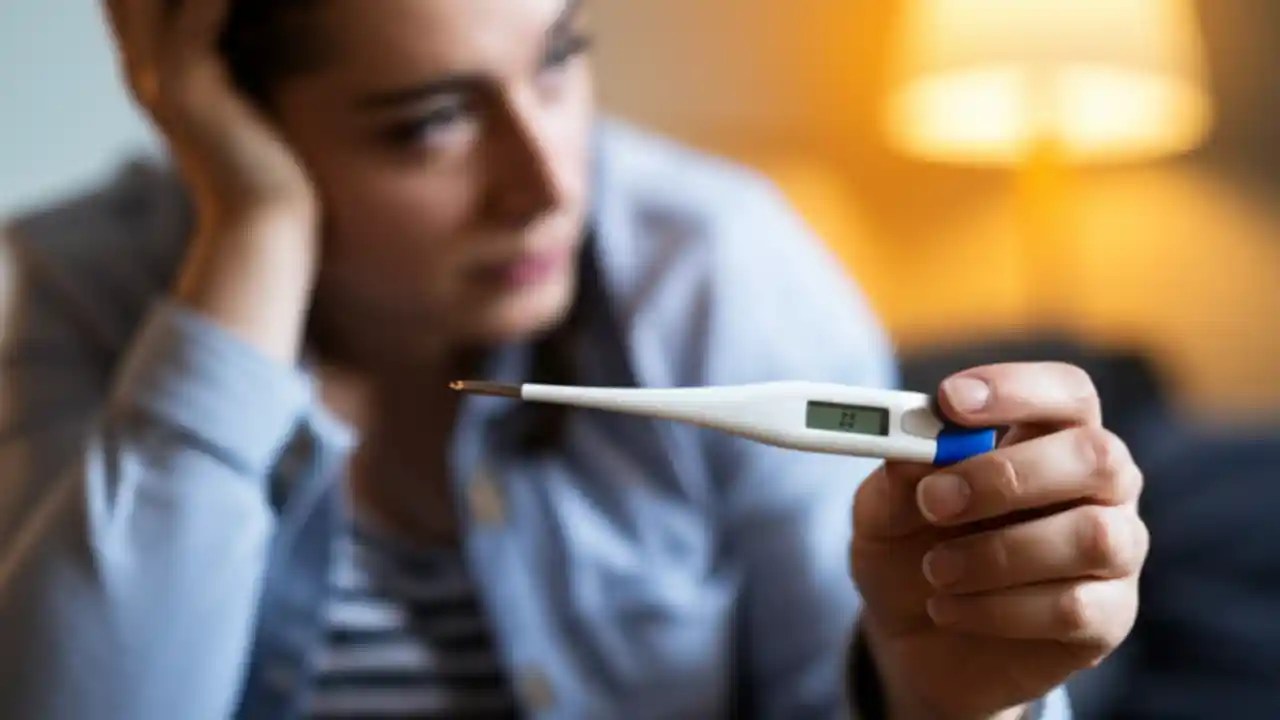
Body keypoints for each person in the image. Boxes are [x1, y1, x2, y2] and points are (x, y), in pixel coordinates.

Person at [0, 1, 1149, 718]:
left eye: (557, 61)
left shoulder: (712, 264)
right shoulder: (66, 293)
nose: (550, 180)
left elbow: (890, 682)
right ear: (237, 124)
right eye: (430, 122)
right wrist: (255, 231)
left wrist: (943, 705)